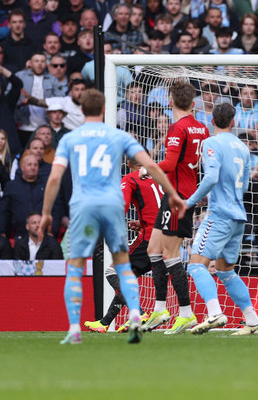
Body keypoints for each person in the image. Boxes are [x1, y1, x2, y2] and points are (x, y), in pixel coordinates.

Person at [41, 89, 185, 345]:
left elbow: (54, 178)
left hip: (83, 205)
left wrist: (45, 212)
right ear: (105, 108)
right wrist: (172, 193)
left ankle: (74, 329)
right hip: (111, 203)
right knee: (121, 264)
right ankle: (134, 318)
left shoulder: (69, 139)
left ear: (82, 110)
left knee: (74, 266)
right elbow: (151, 166)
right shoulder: (119, 136)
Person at [184, 103, 258, 335]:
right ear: (233, 121)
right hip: (239, 217)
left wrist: (189, 202)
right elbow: (246, 185)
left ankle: (214, 313)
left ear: (212, 120)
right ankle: (253, 321)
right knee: (226, 271)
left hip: (219, 215)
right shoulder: (242, 147)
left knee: (196, 266)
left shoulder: (210, 143)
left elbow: (210, 177)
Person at [143, 81, 210, 334]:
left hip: (177, 197)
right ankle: (161, 308)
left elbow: (169, 164)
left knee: (171, 254)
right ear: (193, 104)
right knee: (153, 249)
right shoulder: (202, 128)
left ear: (170, 103)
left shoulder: (177, 128)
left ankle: (186, 312)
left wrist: (146, 169)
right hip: (180, 193)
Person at [84, 158, 162, 334]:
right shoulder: (159, 177)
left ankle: (139, 314)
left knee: (112, 271)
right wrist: (142, 223)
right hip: (168, 235)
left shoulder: (130, 178)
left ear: (128, 164)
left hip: (150, 237)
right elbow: (158, 208)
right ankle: (105, 322)